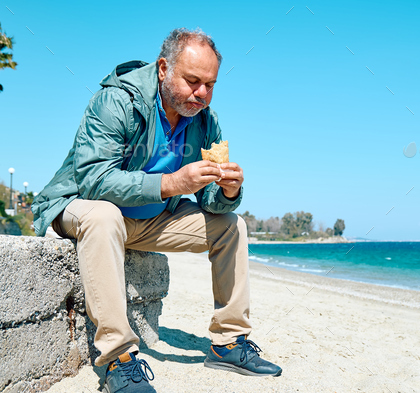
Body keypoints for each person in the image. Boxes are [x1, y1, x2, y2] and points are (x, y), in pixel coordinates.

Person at [32, 28, 282, 392]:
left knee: (231, 225)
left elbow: (210, 199)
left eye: (210, 85)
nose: (202, 94)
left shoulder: (204, 120)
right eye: (193, 81)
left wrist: (227, 191)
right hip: (81, 207)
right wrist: (173, 184)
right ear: (164, 68)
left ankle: (228, 342)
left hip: (148, 221)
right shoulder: (116, 101)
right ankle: (118, 358)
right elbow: (94, 181)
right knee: (104, 217)